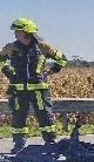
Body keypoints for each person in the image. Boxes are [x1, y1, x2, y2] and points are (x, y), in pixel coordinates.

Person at [1, 18, 68, 153]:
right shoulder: (10, 47)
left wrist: (51, 70)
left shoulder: (43, 47)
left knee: (44, 116)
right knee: (18, 117)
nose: (15, 34)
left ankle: (50, 143)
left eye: (17, 31)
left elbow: (62, 59)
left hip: (39, 89)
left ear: (27, 32)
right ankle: (19, 145)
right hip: (18, 89)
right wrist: (7, 71)